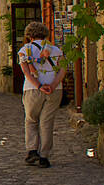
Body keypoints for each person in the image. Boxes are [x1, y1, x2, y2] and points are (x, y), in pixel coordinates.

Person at [18, 21, 67, 168]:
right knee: (47, 122)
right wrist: (52, 85)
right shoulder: (56, 50)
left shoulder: (24, 50)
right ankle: (44, 156)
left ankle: (32, 150)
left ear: (29, 35)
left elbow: (26, 72)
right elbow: (63, 70)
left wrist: (39, 86)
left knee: (31, 120)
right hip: (54, 90)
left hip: (32, 90)